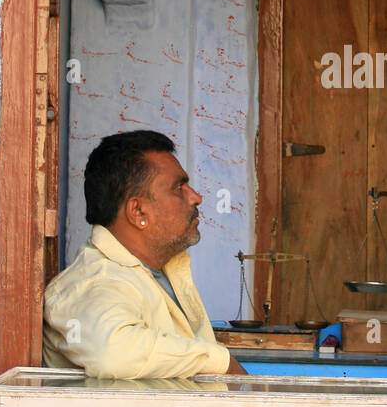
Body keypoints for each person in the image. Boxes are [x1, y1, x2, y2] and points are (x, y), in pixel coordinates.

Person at [43, 130, 246, 380]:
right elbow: (112, 352)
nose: (196, 197)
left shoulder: (161, 269)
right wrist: (220, 361)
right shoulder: (93, 280)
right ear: (138, 212)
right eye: (178, 188)